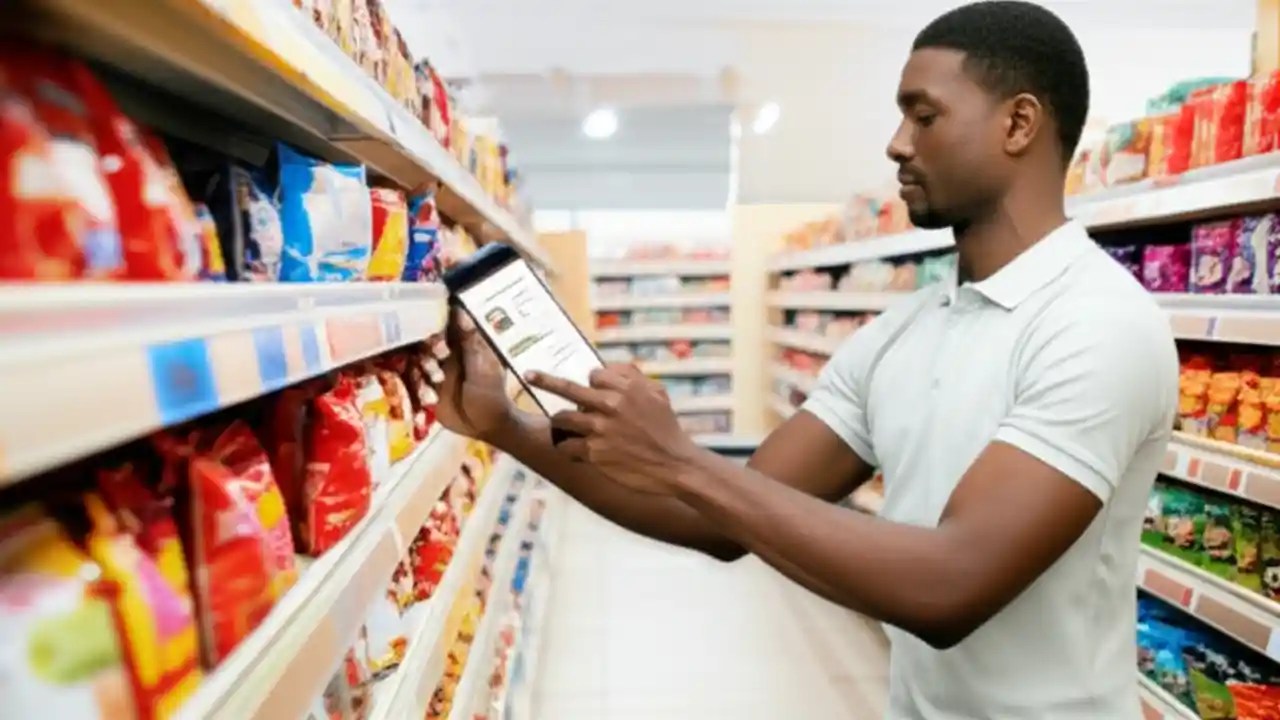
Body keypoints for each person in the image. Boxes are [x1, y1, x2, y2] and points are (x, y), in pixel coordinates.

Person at [425, 1, 1177, 717]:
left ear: (1019, 123)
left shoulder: (1099, 326)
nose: (896, 142)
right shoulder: (907, 331)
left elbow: (952, 587)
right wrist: (507, 426)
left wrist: (682, 459)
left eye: (924, 114)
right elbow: (726, 520)